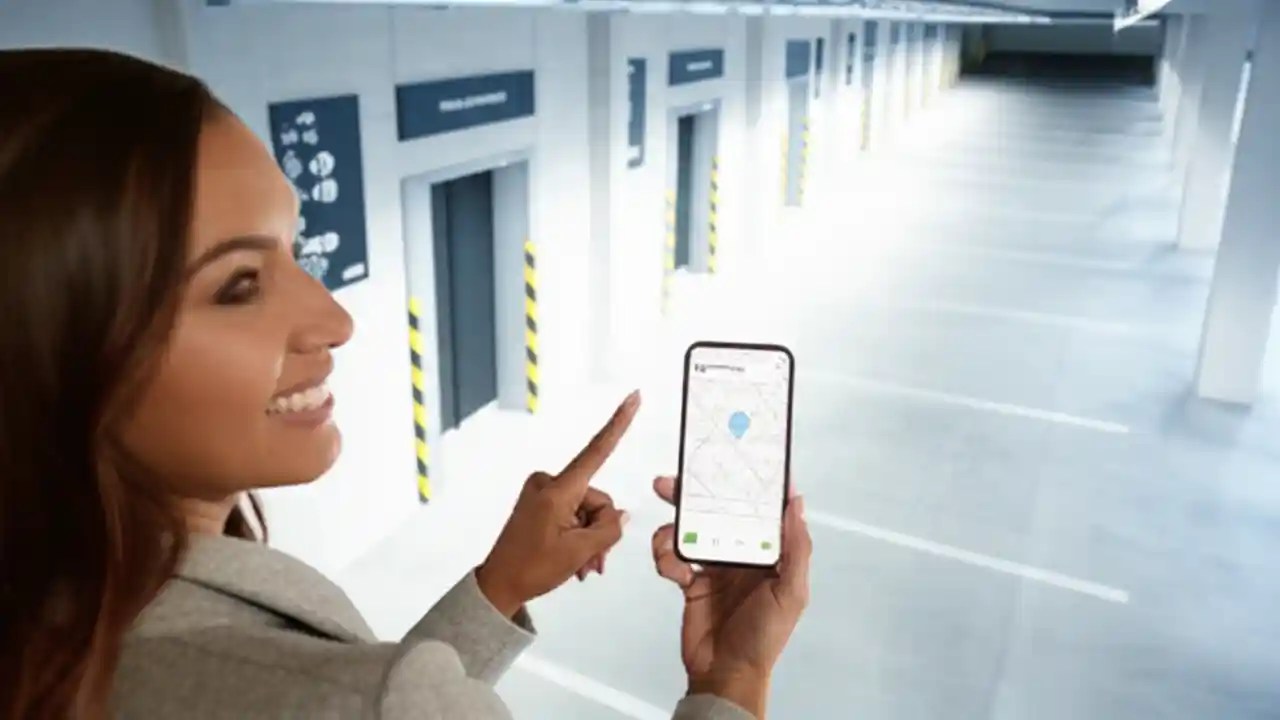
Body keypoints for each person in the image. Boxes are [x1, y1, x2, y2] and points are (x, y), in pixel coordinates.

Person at [0, 48, 812, 720]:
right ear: (48, 352)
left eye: (295, 250)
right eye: (239, 284)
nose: (333, 319)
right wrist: (730, 678)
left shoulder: (56, 620)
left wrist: (497, 591)